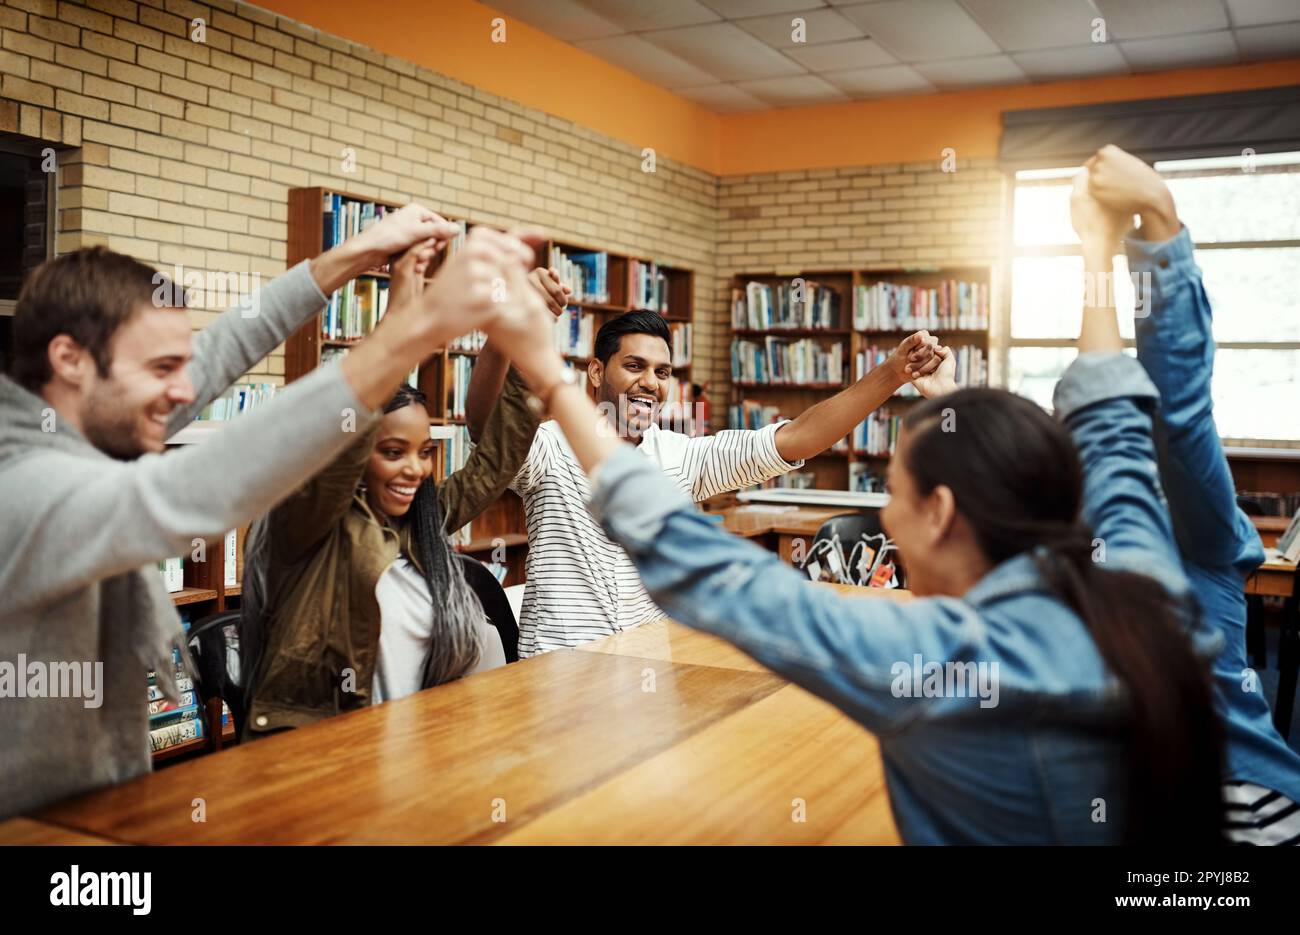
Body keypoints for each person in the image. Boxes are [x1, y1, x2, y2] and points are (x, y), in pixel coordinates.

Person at [480, 183, 1225, 843]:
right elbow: (1122, 425)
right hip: (558, 677)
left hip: (640, 682)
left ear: (940, 512)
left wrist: (539, 363)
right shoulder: (1146, 583)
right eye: (633, 367)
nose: (884, 522)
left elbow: (721, 567)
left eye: (892, 494)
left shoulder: (929, 650)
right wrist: (1126, 238)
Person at [0, 208, 540, 818]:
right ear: (70, 360)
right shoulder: (26, 485)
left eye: (183, 366)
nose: (187, 393)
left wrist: (353, 256)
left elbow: (225, 346)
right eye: (162, 369)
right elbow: (200, 486)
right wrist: (410, 333)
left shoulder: (84, 433)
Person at [239, 264, 570, 736]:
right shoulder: (307, 527)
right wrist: (405, 317)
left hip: (414, 754)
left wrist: (526, 338)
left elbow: (492, 466)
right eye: (393, 453)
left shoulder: (419, 520)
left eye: (424, 452)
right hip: (321, 763)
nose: (414, 469)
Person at [509, 307, 945, 655]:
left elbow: (795, 438)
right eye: (635, 366)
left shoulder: (680, 455)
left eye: (662, 372)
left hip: (644, 669)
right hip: (556, 665)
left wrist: (893, 374)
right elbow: (483, 428)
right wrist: (509, 334)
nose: (650, 383)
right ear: (597, 372)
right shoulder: (547, 445)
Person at [1085, 144, 1300, 844]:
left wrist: (1156, 220)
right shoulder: (1106, 508)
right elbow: (1104, 391)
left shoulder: (1200, 532)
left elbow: (1174, 407)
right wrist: (1096, 257)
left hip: (1233, 813)